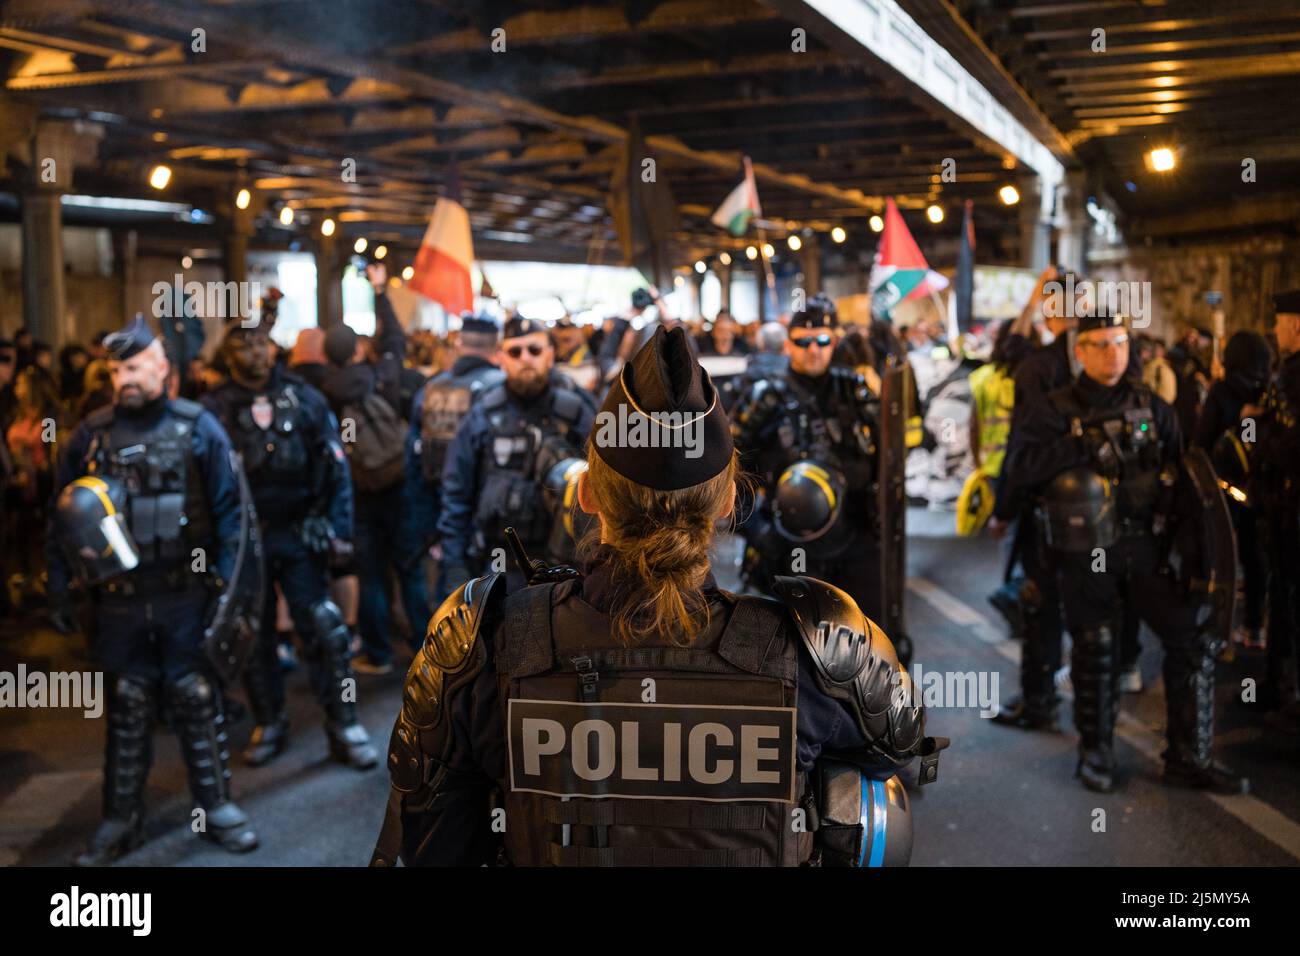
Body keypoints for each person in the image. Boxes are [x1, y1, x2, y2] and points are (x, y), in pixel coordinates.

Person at [371, 325, 946, 867]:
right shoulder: (821, 651)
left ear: (589, 495)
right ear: (727, 503)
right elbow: (901, 751)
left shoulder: (484, 643)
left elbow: (433, 844)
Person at [1001, 311, 1248, 794]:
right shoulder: (1052, 410)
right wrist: (1079, 446)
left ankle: (1188, 756)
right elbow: (1021, 471)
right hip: (1084, 554)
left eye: (1120, 342)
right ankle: (1096, 753)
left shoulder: (1152, 406)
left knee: (1191, 638)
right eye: (1099, 344)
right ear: (1080, 352)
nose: (1113, 352)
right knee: (1096, 649)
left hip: (1146, 549)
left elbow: (1186, 472)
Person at [46, 316, 259, 864]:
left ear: (163, 368)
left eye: (135, 366)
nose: (125, 378)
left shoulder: (198, 427)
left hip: (184, 594)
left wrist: (230, 594)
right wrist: (59, 586)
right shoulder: (90, 435)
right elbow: (60, 517)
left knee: (195, 697)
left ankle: (216, 807)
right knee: (128, 704)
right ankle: (121, 820)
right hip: (117, 602)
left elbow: (233, 515)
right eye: (117, 369)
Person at [202, 317, 378, 769]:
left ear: (274, 348)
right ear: (228, 354)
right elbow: (202, 484)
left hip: (302, 533)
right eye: (243, 345)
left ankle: (344, 724)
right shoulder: (213, 409)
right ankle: (271, 723)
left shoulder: (306, 399)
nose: (254, 353)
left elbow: (337, 466)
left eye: (261, 343)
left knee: (323, 626)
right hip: (245, 543)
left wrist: (338, 530)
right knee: (256, 634)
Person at [731, 295, 886, 622]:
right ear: (788, 345)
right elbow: (726, 470)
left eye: (822, 340)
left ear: (834, 343)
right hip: (791, 542)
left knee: (869, 634)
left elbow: (890, 453)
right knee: (800, 645)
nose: (813, 349)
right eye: (803, 342)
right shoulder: (766, 394)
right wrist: (756, 529)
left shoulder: (855, 389)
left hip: (856, 533)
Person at [320, 266, 430, 673]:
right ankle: (426, 651)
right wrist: (380, 291)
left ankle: (379, 654)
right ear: (358, 350)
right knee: (411, 571)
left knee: (370, 577)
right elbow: (396, 338)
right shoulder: (383, 377)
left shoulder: (324, 393)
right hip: (399, 484)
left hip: (359, 494)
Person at [438, 315, 595, 593]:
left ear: (550, 354)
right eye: (515, 351)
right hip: (499, 566)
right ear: (501, 357)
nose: (525, 358)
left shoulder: (576, 411)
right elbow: (456, 495)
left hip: (565, 569)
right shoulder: (482, 415)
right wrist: (455, 569)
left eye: (534, 350)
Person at [407, 315, 505, 602]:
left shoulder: (431, 389)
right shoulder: (502, 389)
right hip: (494, 523)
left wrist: (428, 526)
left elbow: (413, 462)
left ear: (459, 343)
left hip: (444, 520)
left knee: (450, 611)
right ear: (496, 345)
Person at [1194, 330, 1272, 649]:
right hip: (1261, 490)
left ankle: (1217, 626)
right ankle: (1254, 625)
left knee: (1220, 556)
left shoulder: (1223, 393)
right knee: (1256, 557)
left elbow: (1202, 442)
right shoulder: (1267, 392)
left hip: (1225, 491)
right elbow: (1256, 441)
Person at [1253, 291, 1300, 727]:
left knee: (1287, 598)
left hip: (1290, 507)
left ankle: (1285, 695)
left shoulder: (1290, 379)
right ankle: (1276, 687)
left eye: (1282, 322)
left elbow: (1285, 450)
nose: (1278, 330)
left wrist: (1253, 426)